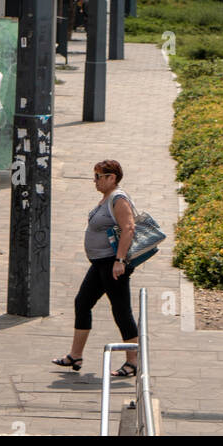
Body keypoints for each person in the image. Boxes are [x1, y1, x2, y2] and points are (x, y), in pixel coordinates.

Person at [52, 159, 138, 377]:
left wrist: (119, 261)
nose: (95, 181)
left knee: (121, 310)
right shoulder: (106, 199)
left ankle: (133, 362)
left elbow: (128, 229)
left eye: (99, 176)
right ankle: (75, 355)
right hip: (100, 263)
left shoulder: (119, 199)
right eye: (95, 176)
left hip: (112, 264)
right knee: (82, 302)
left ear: (112, 178)